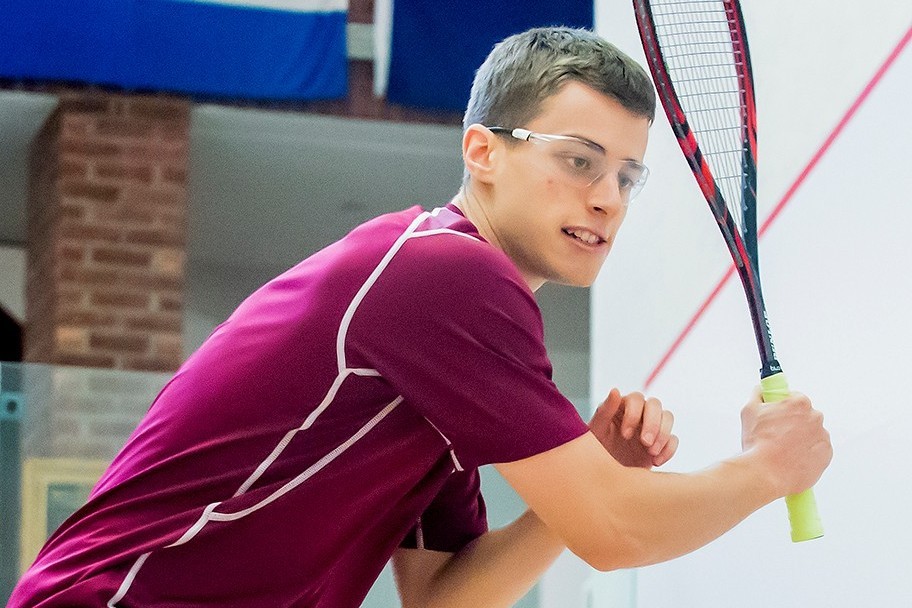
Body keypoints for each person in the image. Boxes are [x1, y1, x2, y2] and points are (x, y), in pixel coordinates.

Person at [9, 27, 831, 608]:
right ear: (482, 152)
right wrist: (768, 469)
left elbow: (444, 597)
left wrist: (593, 480)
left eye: (627, 176)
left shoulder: (447, 330)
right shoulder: (446, 276)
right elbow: (617, 533)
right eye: (579, 161)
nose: (606, 198)